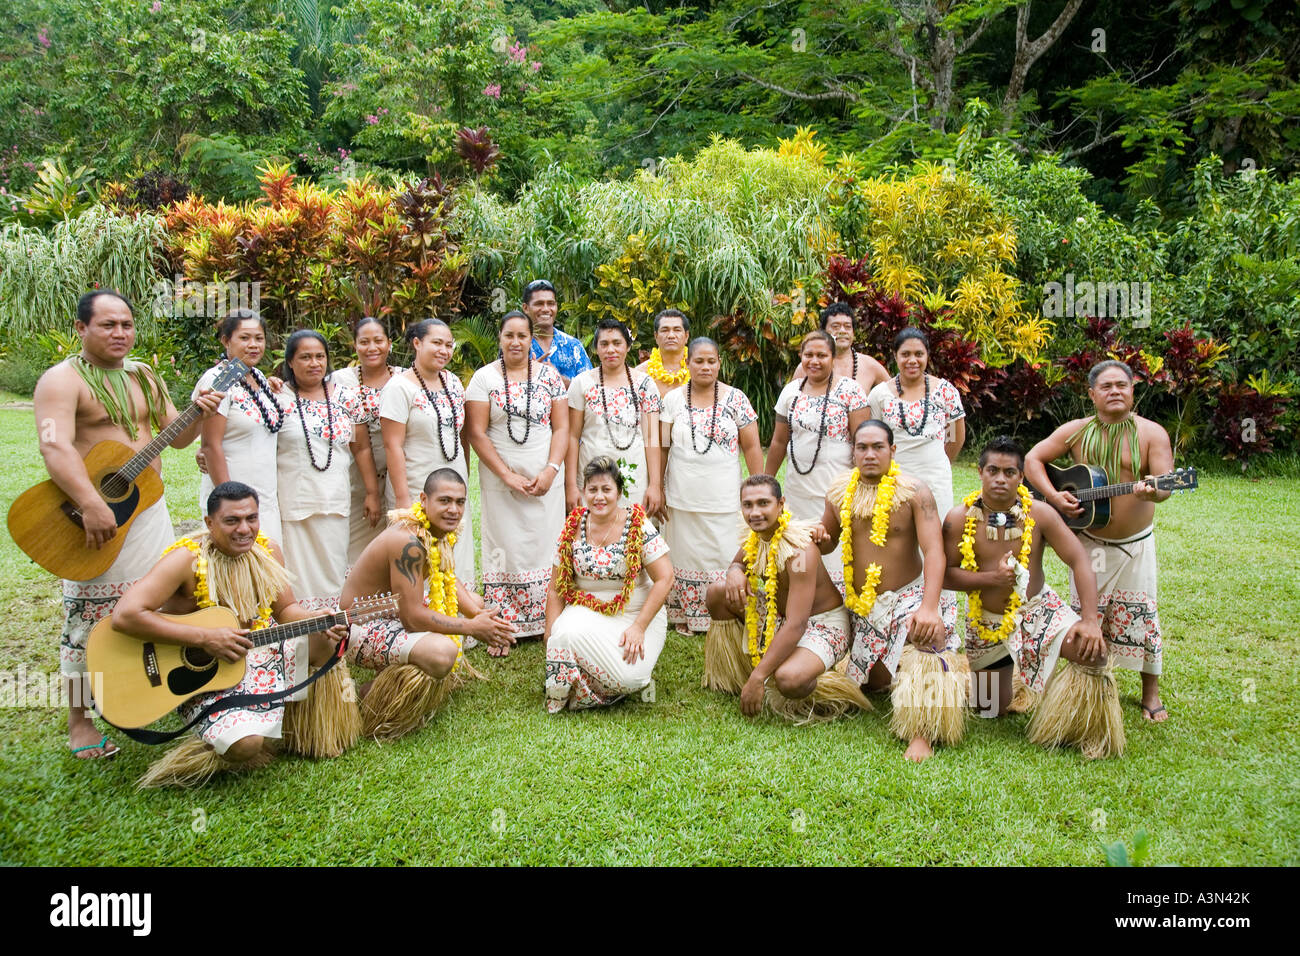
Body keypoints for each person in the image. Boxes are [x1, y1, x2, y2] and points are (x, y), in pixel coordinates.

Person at [34, 289, 223, 760]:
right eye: (107, 325)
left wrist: (200, 414)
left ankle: (155, 691)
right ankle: (80, 722)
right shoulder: (61, 381)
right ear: (81, 329)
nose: (120, 333)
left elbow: (176, 438)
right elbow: (54, 446)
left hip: (149, 510)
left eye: (126, 325)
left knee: (166, 602)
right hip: (95, 516)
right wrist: (89, 502)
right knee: (87, 617)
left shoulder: (143, 375)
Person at [113, 482, 356, 786]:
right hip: (203, 672)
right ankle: (230, 734)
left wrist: (315, 618)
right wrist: (204, 639)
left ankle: (304, 733)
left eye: (251, 518)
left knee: (324, 641)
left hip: (260, 655)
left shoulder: (267, 551)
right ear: (209, 523)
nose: (245, 529)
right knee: (246, 746)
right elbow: (125, 615)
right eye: (232, 521)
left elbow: (286, 610)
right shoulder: (186, 561)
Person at [944, 437, 1122, 759]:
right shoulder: (959, 518)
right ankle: (1012, 675)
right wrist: (990, 579)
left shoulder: (1039, 514)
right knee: (988, 708)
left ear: (1021, 477)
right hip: (985, 622)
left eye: (1010, 472)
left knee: (1092, 652)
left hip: (1036, 612)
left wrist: (1091, 620)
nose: (1001, 479)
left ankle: (1080, 725)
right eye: (993, 470)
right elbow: (945, 574)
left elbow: (1080, 560)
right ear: (980, 472)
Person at [1023, 359, 1175, 723]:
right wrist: (1054, 496)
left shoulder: (1152, 434)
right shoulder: (1075, 432)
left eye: (1122, 385)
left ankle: (1150, 694)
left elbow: (1166, 485)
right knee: (1086, 618)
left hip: (1134, 545)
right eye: (1106, 387)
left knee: (1142, 616)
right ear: (1092, 394)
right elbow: (1032, 459)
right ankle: (1086, 683)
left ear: (1132, 390)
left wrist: (1152, 492)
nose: (1115, 392)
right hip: (1087, 541)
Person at [341, 469, 517, 738]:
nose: (453, 510)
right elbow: (412, 617)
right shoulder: (408, 543)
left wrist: (482, 617)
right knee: (441, 652)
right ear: (423, 500)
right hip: (359, 626)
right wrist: (472, 627)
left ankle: (392, 678)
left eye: (459, 502)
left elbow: (448, 580)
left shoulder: (434, 529)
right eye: (444, 501)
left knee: (476, 601)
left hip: (392, 613)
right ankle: (371, 695)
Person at [813, 420, 952, 760]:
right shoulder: (839, 490)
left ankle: (923, 731)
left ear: (893, 450)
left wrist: (930, 607)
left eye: (878, 447)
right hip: (863, 607)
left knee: (927, 638)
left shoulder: (915, 492)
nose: (870, 454)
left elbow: (935, 551)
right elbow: (829, 543)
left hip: (908, 598)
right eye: (862, 447)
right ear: (854, 452)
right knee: (877, 686)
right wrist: (818, 536)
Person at [703, 474, 869, 722]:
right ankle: (738, 676)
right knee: (717, 593)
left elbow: (796, 624)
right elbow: (737, 564)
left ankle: (832, 684)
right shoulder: (756, 539)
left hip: (822, 624)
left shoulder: (800, 550)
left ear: (781, 504)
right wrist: (735, 572)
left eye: (763, 503)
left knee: (788, 679)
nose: (755, 512)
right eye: (747, 505)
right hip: (779, 617)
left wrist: (759, 677)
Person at [465, 310, 570, 653]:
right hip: (501, 480)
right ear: (500, 338)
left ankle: (548, 621)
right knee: (503, 548)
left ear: (531, 339)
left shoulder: (550, 377)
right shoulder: (483, 378)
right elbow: (476, 433)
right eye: (509, 335)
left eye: (522, 336)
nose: (515, 342)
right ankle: (501, 626)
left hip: (545, 477)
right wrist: (507, 474)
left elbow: (562, 428)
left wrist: (552, 469)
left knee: (545, 544)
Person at [543, 457, 673, 712]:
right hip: (586, 613)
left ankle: (585, 679)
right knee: (563, 633)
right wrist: (550, 633)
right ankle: (569, 683)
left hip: (636, 614)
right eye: (592, 490)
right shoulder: (573, 526)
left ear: (619, 492)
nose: (599, 497)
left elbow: (665, 578)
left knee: (632, 678)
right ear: (583, 493)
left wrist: (638, 627)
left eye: (606, 489)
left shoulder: (637, 524)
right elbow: (555, 587)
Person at [658, 336, 763, 633]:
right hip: (682, 497)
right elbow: (661, 447)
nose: (705, 367)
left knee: (723, 553)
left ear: (719, 363)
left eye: (711, 361)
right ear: (686, 363)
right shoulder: (672, 401)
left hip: (724, 497)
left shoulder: (736, 399)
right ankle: (687, 617)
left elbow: (753, 447)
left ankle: (727, 610)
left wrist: (759, 487)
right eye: (699, 361)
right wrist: (658, 485)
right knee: (685, 554)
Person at [866, 327, 965, 633]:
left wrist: (937, 465)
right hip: (894, 477)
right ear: (894, 357)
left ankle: (938, 620)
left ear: (927, 356)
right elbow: (875, 438)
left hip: (935, 475)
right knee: (898, 540)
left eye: (918, 354)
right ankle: (896, 619)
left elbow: (955, 438)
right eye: (905, 354)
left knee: (936, 542)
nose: (912, 360)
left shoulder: (945, 391)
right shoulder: (880, 394)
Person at [275, 329, 381, 612]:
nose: (314, 363)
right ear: (290, 362)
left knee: (334, 570)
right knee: (296, 573)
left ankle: (331, 641)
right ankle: (301, 637)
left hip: (335, 501)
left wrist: (372, 493)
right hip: (294, 503)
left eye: (320, 356)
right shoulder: (278, 398)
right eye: (305, 357)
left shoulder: (346, 397)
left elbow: (360, 448)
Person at [765, 329, 869, 587]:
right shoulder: (790, 392)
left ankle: (835, 607)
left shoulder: (851, 392)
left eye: (822, 355)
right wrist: (766, 481)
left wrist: (863, 484)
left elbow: (861, 440)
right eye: (808, 354)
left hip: (837, 488)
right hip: (798, 488)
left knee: (835, 548)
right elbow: (779, 441)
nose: (814, 360)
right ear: (800, 356)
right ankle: (800, 599)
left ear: (833, 358)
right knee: (799, 546)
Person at [382, 319, 475, 584]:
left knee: (455, 547)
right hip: (415, 485)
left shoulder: (454, 382)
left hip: (453, 483)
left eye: (449, 345)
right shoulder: (399, 387)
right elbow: (393, 445)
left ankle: (458, 617)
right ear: (417, 343)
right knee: (420, 555)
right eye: (437, 343)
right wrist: (402, 500)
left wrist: (464, 475)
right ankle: (423, 619)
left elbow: (460, 435)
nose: (444, 350)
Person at [194, 309, 286, 545]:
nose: (253, 345)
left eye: (259, 338)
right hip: (233, 500)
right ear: (226, 341)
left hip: (264, 496)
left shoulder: (259, 379)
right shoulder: (219, 379)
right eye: (244, 338)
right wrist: (230, 502)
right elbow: (211, 446)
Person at [565, 318, 664, 514]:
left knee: (632, 536)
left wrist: (655, 484)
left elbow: (652, 437)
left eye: (617, 343)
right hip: (591, 478)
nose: (611, 350)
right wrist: (571, 485)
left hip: (634, 477)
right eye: (604, 344)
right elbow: (572, 436)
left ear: (627, 346)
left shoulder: (645, 384)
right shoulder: (581, 383)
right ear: (596, 348)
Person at [330, 316, 402, 564]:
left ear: (389, 343)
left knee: (397, 541)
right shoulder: (339, 380)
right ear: (355, 346)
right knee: (357, 545)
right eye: (364, 342)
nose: (372, 348)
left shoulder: (404, 378)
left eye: (378, 340)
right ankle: (357, 599)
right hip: (356, 478)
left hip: (399, 476)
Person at [791, 303, 890, 397]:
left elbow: (895, 396)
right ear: (824, 331)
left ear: (853, 332)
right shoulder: (808, 367)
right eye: (836, 326)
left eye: (847, 327)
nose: (842, 331)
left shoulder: (869, 365)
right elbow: (789, 404)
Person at [523, 279, 591, 387]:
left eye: (550, 303)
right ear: (525, 308)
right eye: (539, 304)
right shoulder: (516, 346)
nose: (546, 309)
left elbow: (591, 391)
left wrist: (558, 379)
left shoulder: (573, 346)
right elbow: (501, 388)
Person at [633, 308, 690, 399]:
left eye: (677, 330)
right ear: (656, 336)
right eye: (665, 330)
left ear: (686, 336)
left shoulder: (698, 370)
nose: (671, 335)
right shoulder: (640, 374)